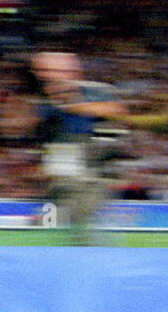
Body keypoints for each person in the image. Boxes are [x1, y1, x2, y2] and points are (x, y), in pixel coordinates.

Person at [30, 51, 126, 244]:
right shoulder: (43, 100)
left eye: (58, 71)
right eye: (46, 73)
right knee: (66, 211)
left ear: (74, 72)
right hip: (63, 165)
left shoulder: (95, 90)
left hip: (94, 162)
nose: (52, 78)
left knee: (84, 208)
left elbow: (116, 110)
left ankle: (92, 245)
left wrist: (72, 106)